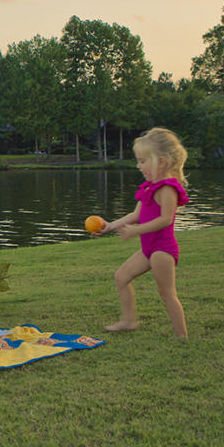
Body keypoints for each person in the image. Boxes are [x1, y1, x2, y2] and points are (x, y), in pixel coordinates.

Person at [95, 127, 190, 338]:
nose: (139, 166)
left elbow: (165, 219)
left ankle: (182, 336)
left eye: (143, 161)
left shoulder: (168, 189)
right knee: (121, 277)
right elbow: (136, 214)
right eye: (138, 161)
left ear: (162, 162)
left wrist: (136, 231)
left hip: (162, 250)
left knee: (166, 293)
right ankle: (129, 321)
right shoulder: (149, 187)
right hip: (148, 249)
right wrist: (109, 226)